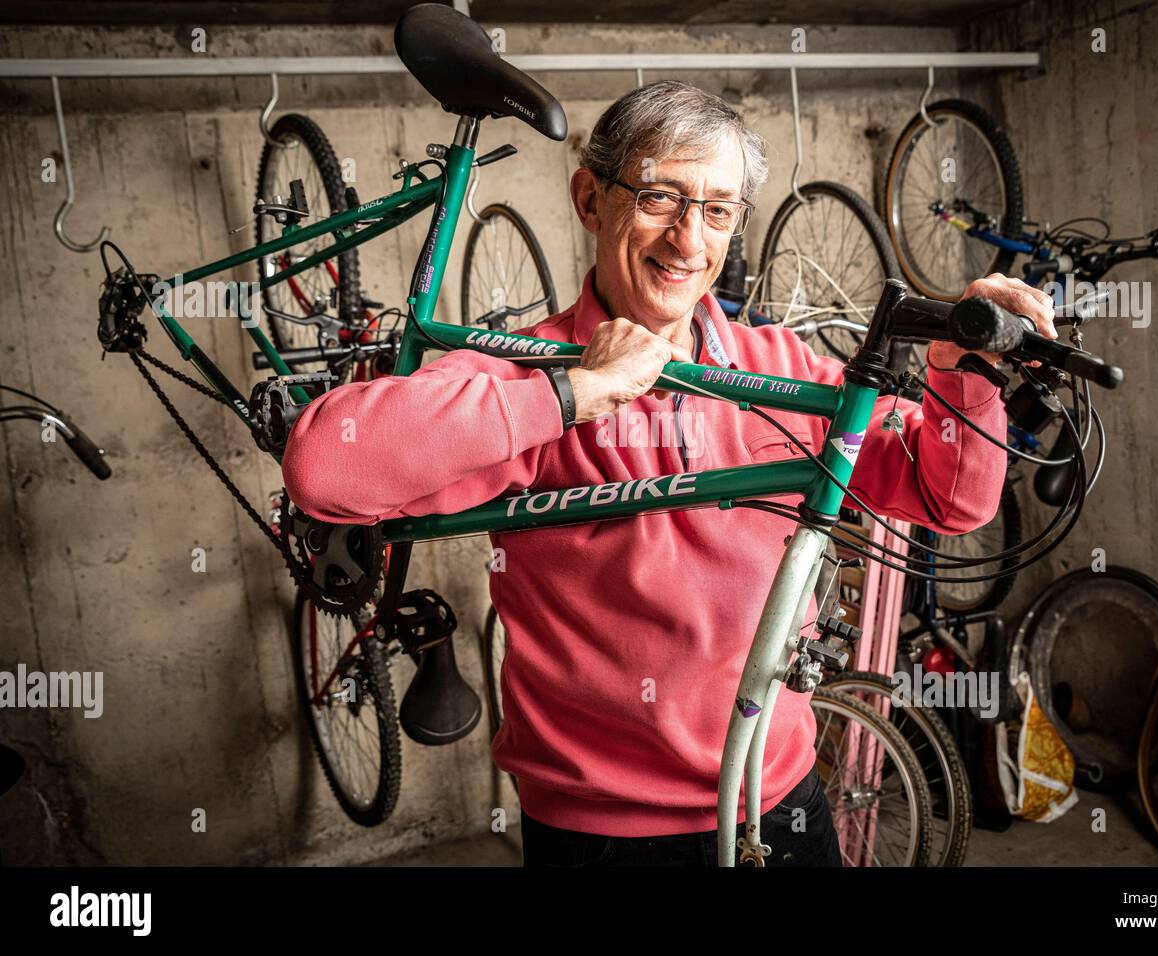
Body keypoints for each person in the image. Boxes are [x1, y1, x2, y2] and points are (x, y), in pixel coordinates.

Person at [281, 80, 1058, 866]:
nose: (689, 240)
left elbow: (948, 499)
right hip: (603, 833)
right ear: (591, 199)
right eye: (659, 197)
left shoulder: (776, 368)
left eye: (718, 209)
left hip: (781, 798)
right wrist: (576, 392)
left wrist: (965, 379)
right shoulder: (528, 370)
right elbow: (324, 464)